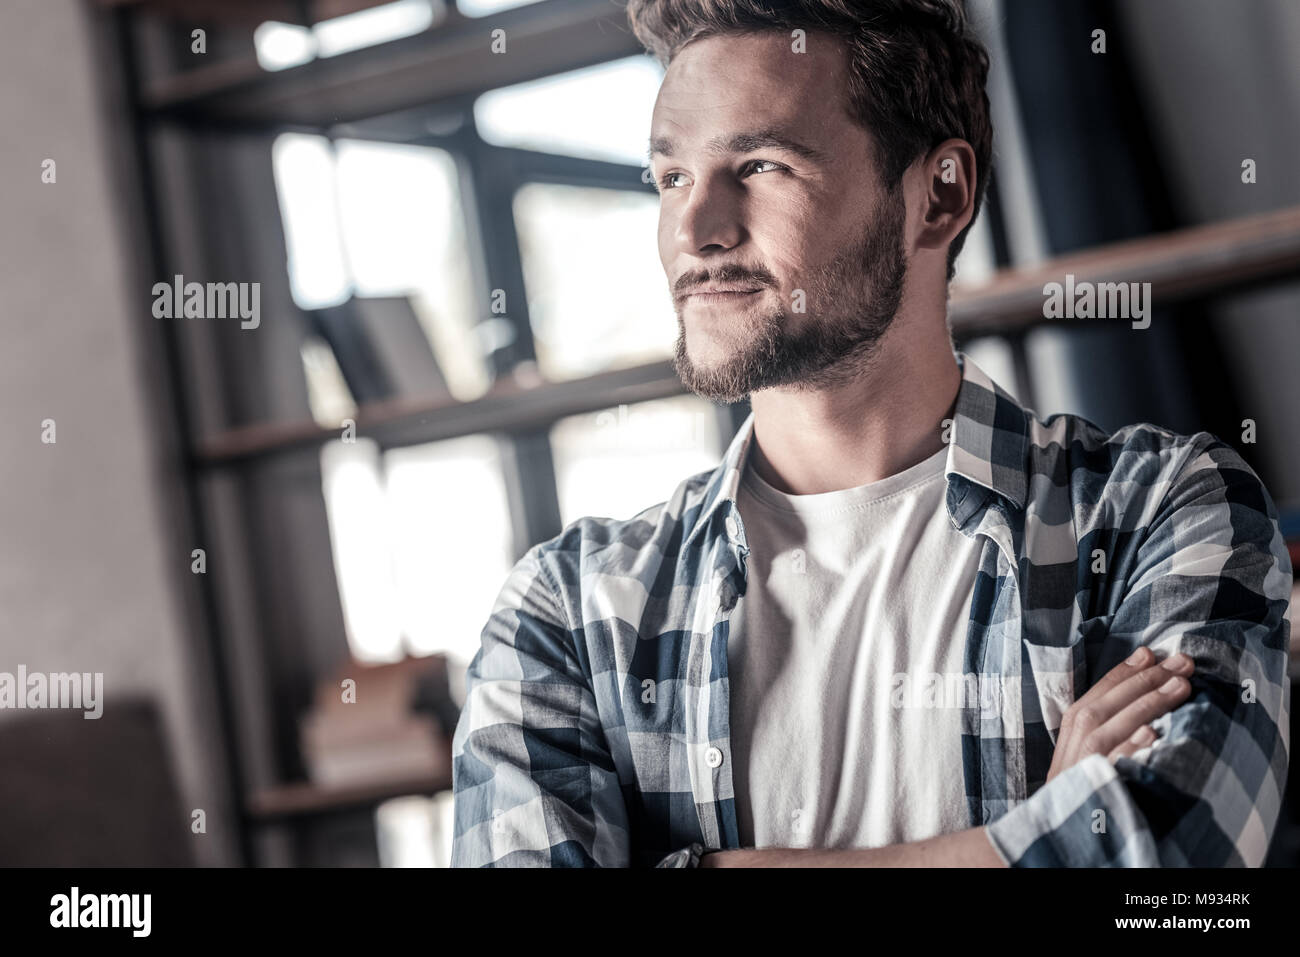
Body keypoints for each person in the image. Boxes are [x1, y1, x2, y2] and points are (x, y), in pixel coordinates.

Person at [450, 0, 1292, 867]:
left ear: (940, 195)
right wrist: (1027, 842)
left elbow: (1179, 887)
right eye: (669, 178)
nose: (695, 232)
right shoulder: (569, 613)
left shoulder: (1160, 510)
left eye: (763, 165)